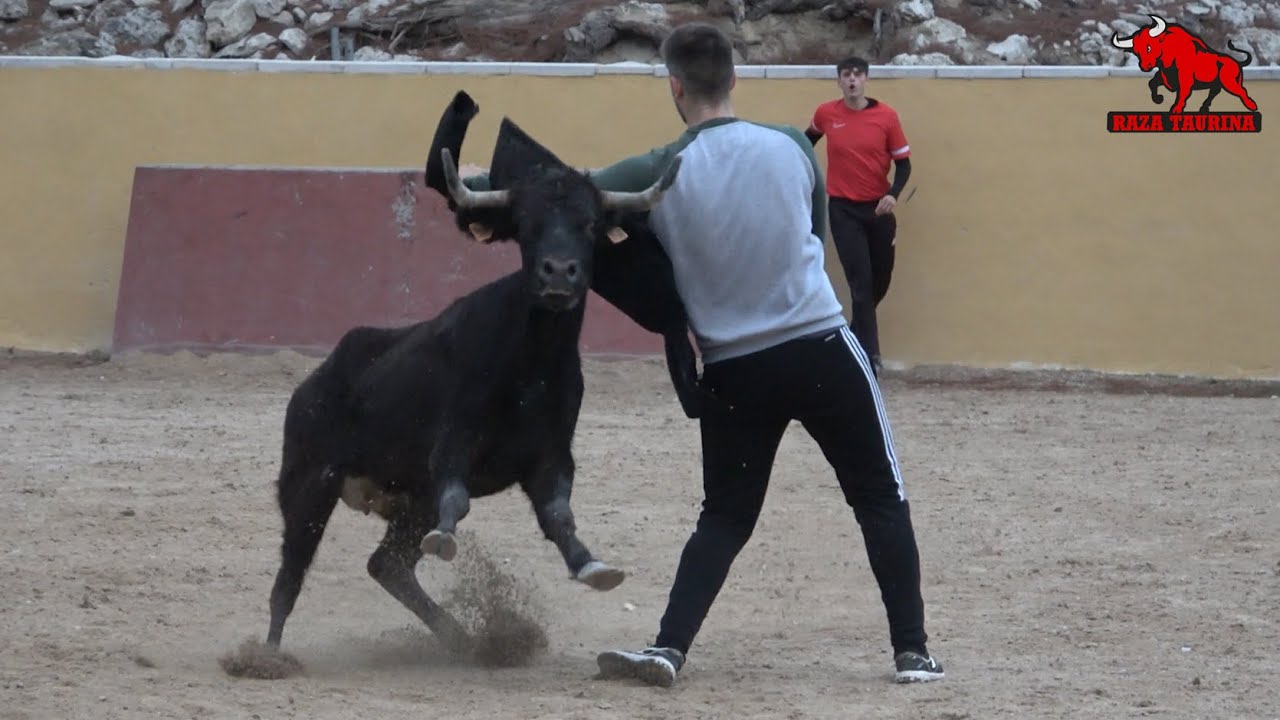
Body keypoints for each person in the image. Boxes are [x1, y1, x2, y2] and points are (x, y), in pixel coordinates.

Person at [458, 21, 942, 688]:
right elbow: (814, 235)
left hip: (735, 368)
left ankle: (668, 649)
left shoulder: (656, 169)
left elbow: (566, 193)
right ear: (735, 78)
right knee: (880, 499)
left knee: (724, 517)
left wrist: (486, 183)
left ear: (676, 88)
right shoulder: (791, 148)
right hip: (821, 348)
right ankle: (912, 652)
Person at [805, 56, 912, 375]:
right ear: (838, 81)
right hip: (843, 210)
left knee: (880, 280)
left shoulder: (886, 117)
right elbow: (805, 141)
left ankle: (852, 335)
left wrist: (893, 194)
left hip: (878, 209)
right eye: (846, 75)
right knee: (860, 284)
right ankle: (870, 356)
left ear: (866, 80)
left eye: (857, 75)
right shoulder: (826, 114)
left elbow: (904, 164)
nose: (852, 81)